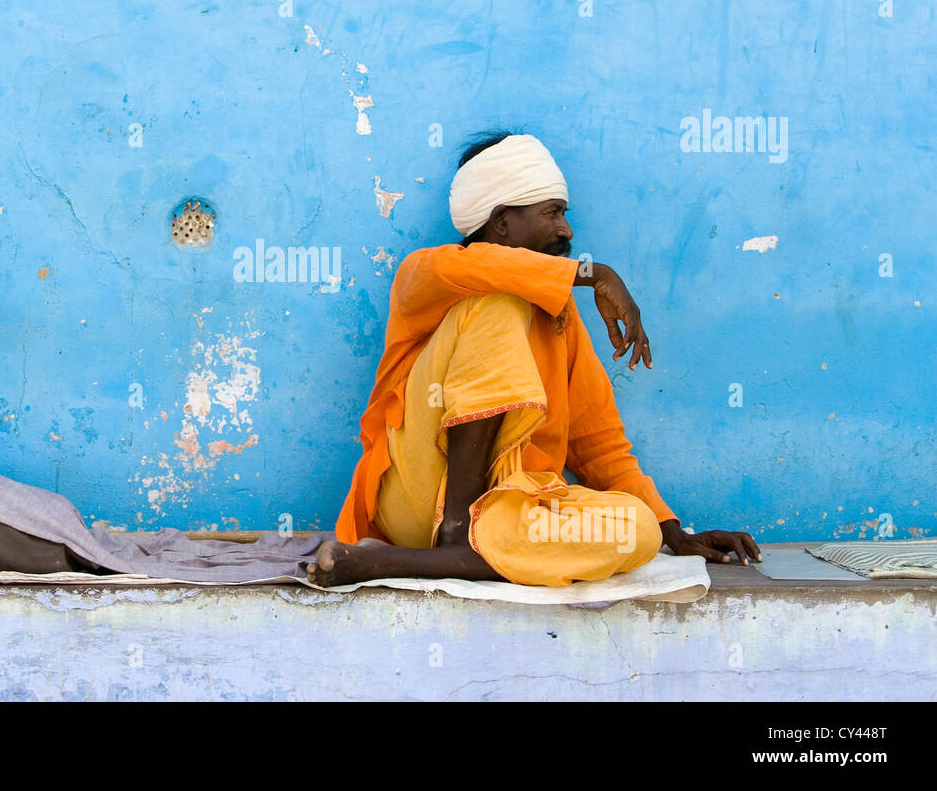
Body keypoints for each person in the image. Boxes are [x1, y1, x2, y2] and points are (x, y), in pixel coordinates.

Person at [309, 131, 760, 588]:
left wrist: (673, 532)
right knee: (499, 300)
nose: (566, 230)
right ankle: (456, 530)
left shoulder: (560, 316)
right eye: (553, 213)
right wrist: (593, 274)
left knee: (635, 531)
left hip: (511, 511)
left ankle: (394, 563)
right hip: (416, 498)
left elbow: (600, 446)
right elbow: (478, 267)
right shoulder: (425, 275)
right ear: (501, 221)